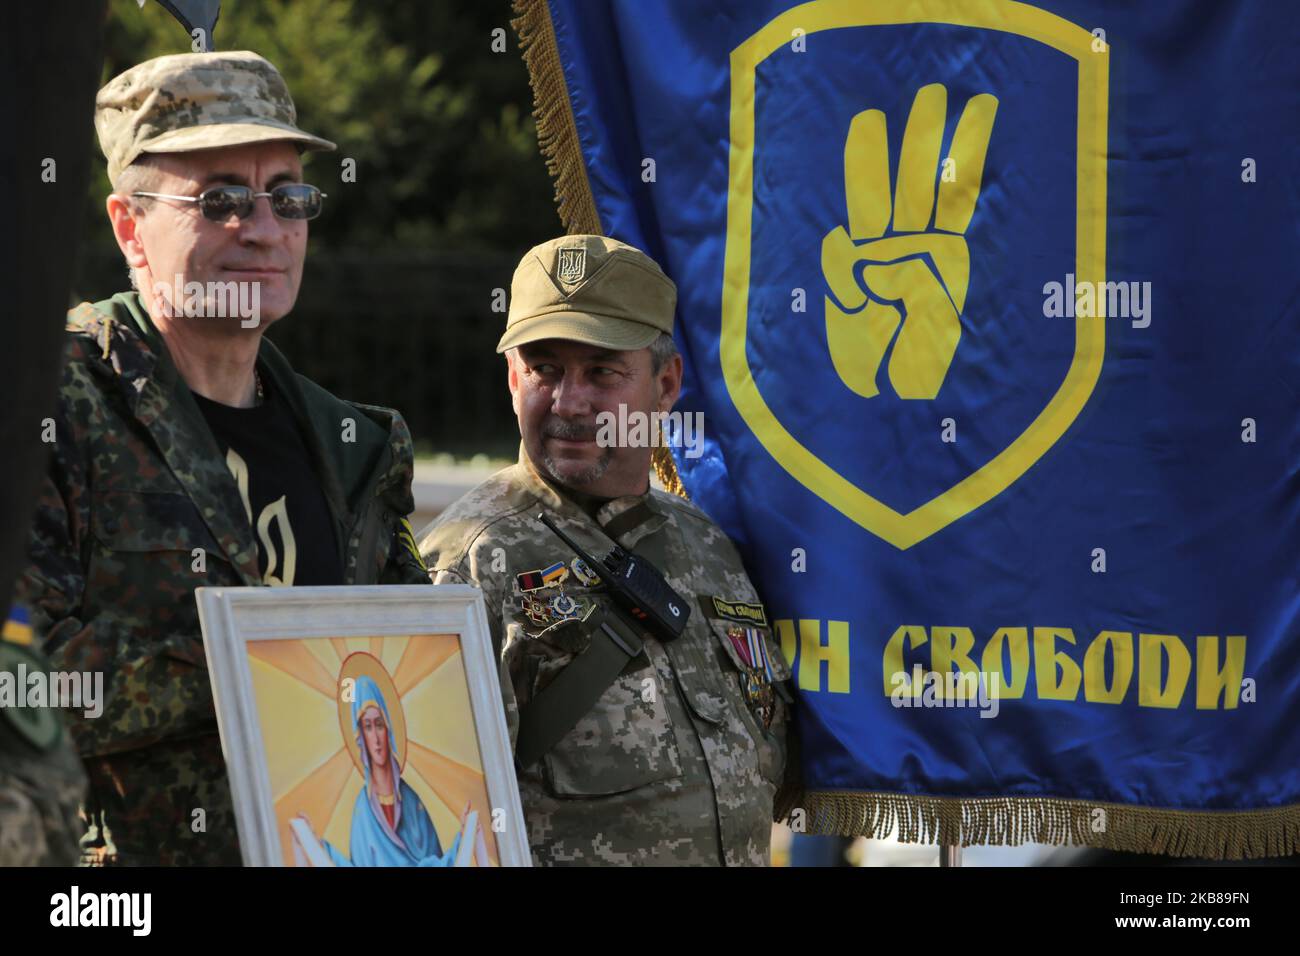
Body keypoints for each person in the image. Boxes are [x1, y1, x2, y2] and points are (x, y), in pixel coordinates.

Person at [16, 51, 430, 866]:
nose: (265, 229)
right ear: (129, 226)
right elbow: (21, 689)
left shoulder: (354, 445)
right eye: (221, 200)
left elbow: (413, 670)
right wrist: (259, 671)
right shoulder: (47, 403)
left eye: (287, 196)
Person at [419, 235, 798, 866]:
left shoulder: (709, 547)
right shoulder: (467, 568)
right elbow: (434, 829)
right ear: (514, 378)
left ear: (666, 383)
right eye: (544, 369)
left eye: (602, 371)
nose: (570, 402)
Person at [303, 675, 467, 867]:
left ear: (388, 728)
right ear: (360, 736)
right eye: (367, 727)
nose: (376, 739)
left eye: (379, 724)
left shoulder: (412, 802)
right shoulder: (362, 811)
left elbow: (440, 864)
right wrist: (318, 845)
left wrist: (463, 838)